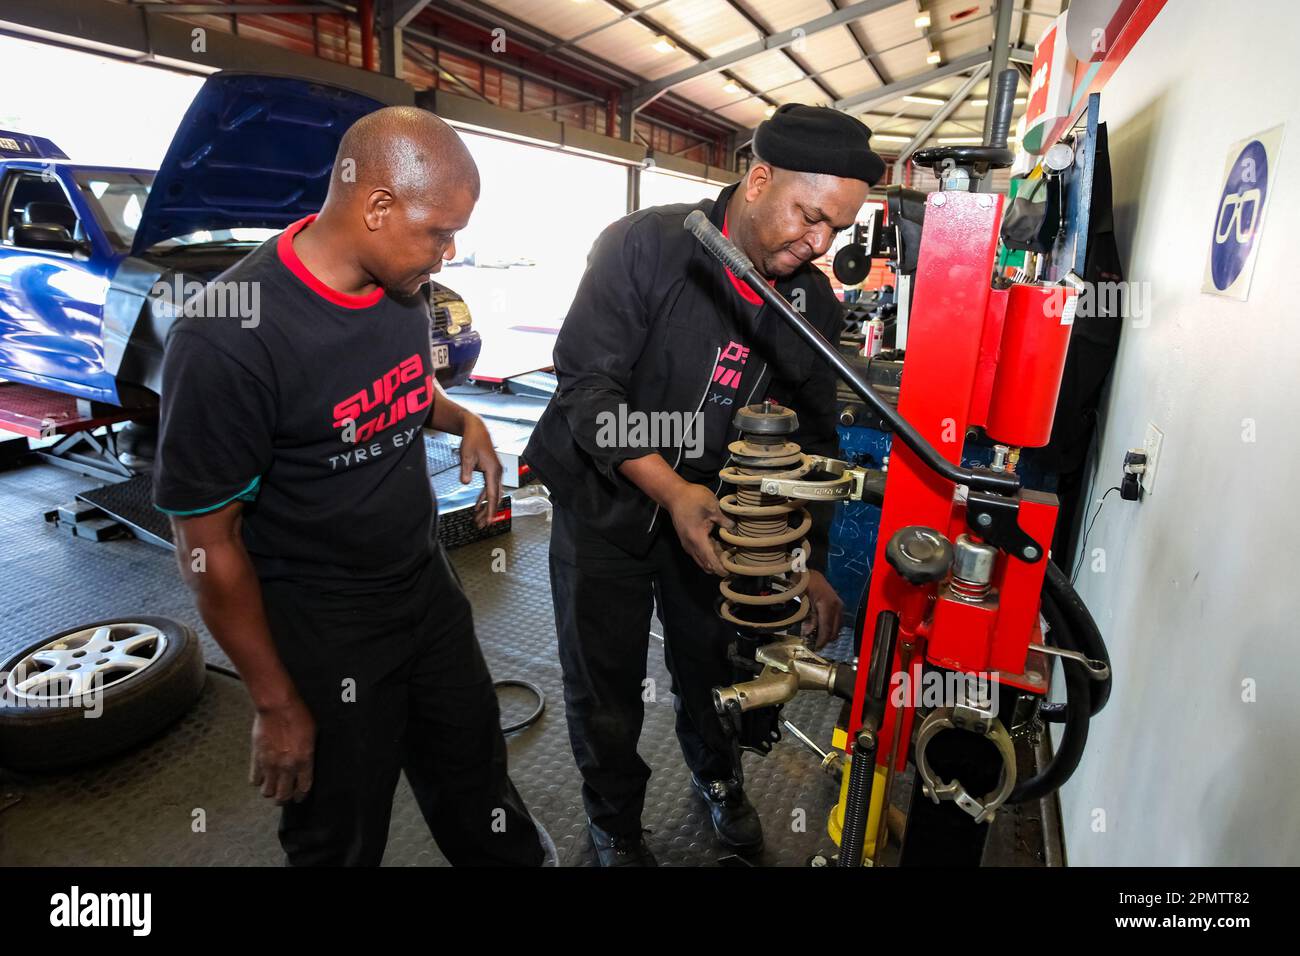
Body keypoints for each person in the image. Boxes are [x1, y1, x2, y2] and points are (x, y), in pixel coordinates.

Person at [154, 106, 544, 867]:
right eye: (439, 232)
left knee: (478, 783)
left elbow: (399, 387)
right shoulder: (228, 338)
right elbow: (207, 544)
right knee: (339, 834)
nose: (450, 251)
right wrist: (275, 701)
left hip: (425, 591)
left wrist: (460, 417)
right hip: (324, 626)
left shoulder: (401, 290)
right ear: (376, 206)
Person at [525, 104, 885, 865]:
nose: (820, 243)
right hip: (607, 499)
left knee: (712, 659)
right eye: (811, 216)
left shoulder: (812, 302)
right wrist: (672, 492)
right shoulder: (647, 247)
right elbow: (587, 390)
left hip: (714, 512)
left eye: (838, 232)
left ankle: (718, 777)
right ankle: (615, 820)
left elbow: (813, 441)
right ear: (758, 180)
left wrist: (810, 561)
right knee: (606, 680)